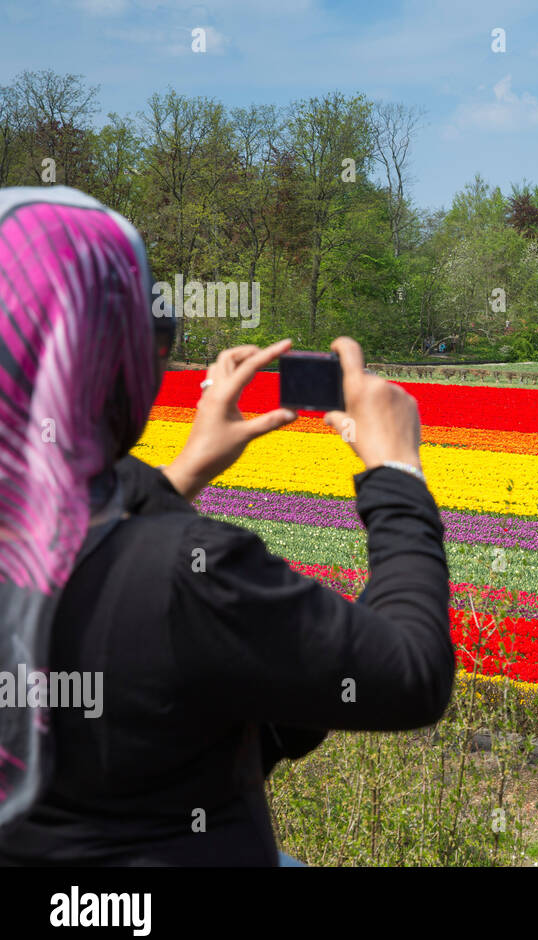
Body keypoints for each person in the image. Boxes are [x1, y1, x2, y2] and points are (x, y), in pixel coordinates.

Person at [0, 186, 454, 866]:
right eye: (155, 340)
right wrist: (397, 474)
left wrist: (180, 474)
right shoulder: (187, 575)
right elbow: (410, 673)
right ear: (114, 359)